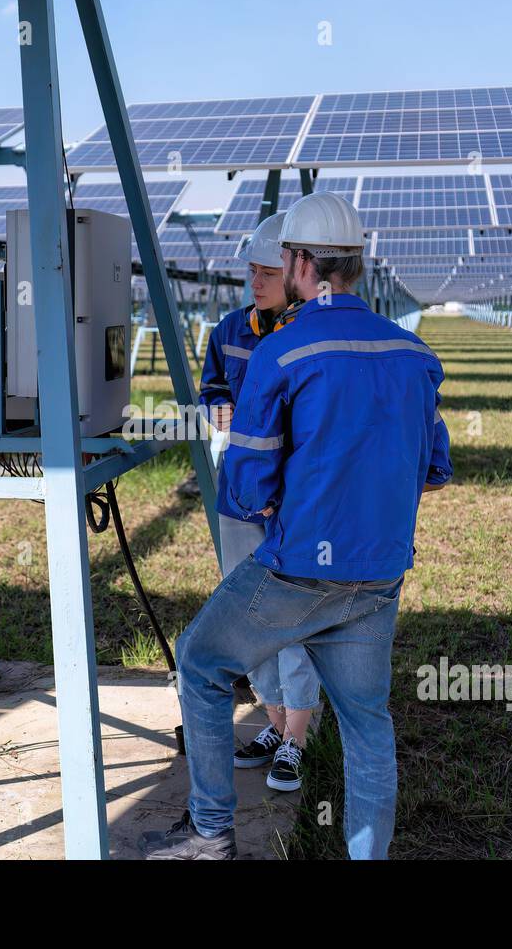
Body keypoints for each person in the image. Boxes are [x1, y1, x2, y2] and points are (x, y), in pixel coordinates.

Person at [143, 191, 452, 860]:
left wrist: (289, 503)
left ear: (303, 263)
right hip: (378, 575)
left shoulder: (283, 353)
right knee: (368, 725)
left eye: (284, 258)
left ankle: (209, 833)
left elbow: (246, 485)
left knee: (199, 661)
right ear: (357, 266)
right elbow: (434, 470)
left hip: (297, 570)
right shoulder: (417, 356)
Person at [198, 212, 323, 793]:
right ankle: (274, 724)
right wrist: (228, 420)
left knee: (292, 615)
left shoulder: (310, 336)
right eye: (250, 270)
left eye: (267, 270)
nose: (255, 280)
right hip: (239, 496)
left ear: (296, 273)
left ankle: (297, 738)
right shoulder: (229, 331)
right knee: (248, 611)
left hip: (293, 503)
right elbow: (213, 391)